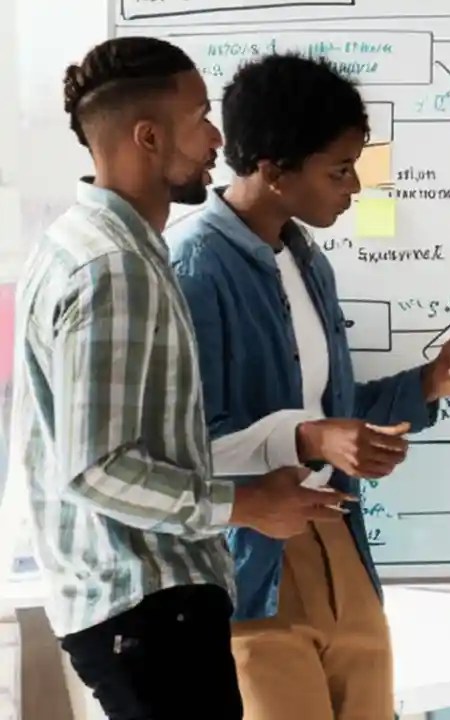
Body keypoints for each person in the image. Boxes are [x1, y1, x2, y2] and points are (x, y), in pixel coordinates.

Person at [5, 37, 351, 720]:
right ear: (148, 136)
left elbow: (146, 443)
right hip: (146, 604)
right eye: (200, 116)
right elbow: (97, 469)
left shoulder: (100, 247)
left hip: (141, 606)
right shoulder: (114, 267)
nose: (217, 137)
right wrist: (245, 507)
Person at [167, 53, 450, 720]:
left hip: (339, 541)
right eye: (339, 169)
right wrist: (316, 438)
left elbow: (333, 412)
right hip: (251, 567)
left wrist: (432, 382)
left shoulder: (308, 262)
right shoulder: (194, 268)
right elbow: (185, 449)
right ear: (275, 170)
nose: (355, 187)